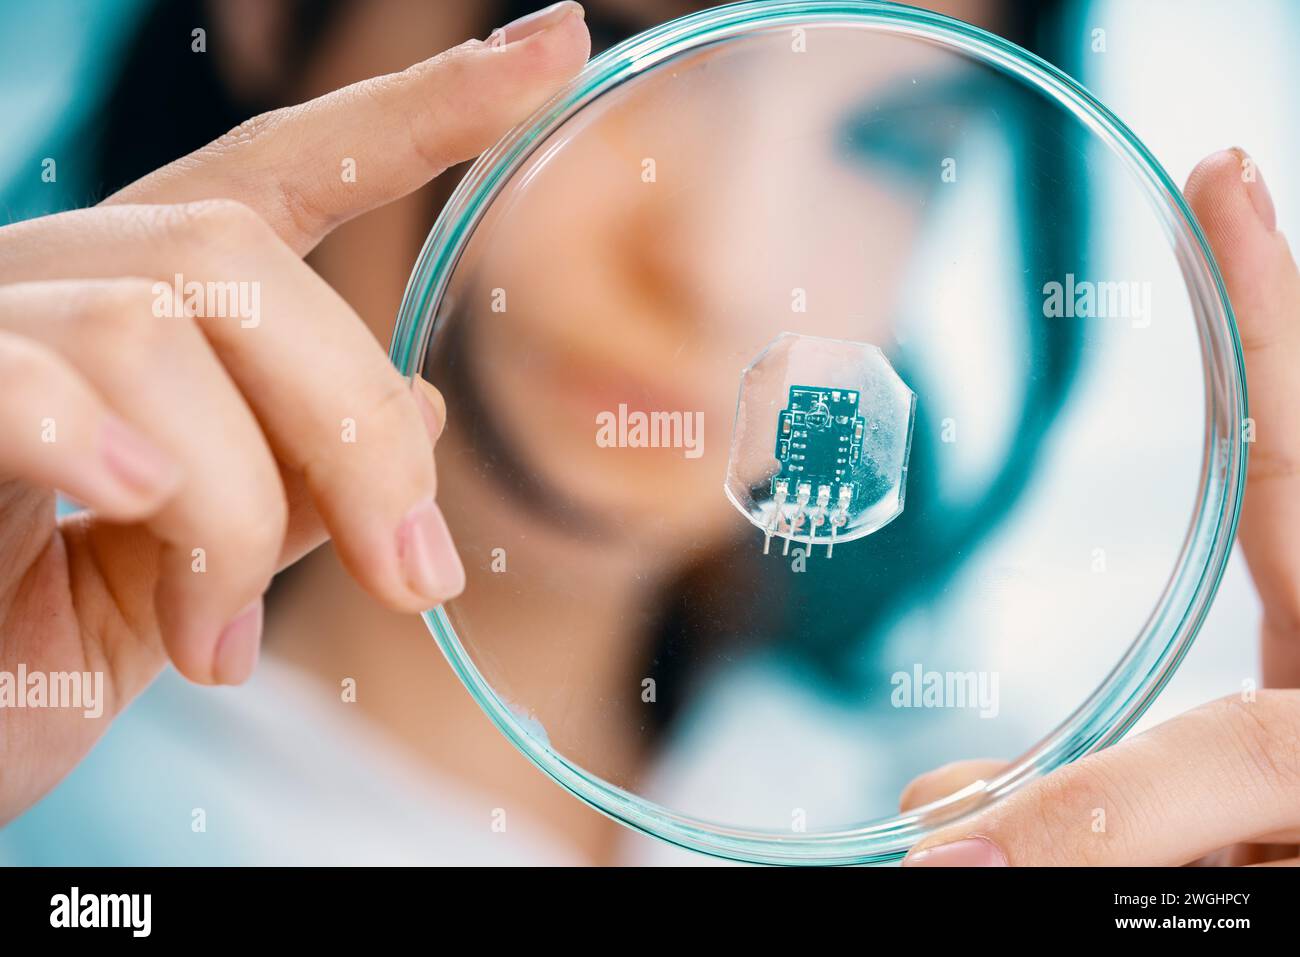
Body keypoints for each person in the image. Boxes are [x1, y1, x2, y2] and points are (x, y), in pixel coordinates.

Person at [0, 0, 1297, 866]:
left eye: (888, 142)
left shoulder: (977, 799)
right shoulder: (49, 775)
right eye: (625, 48)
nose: (732, 265)